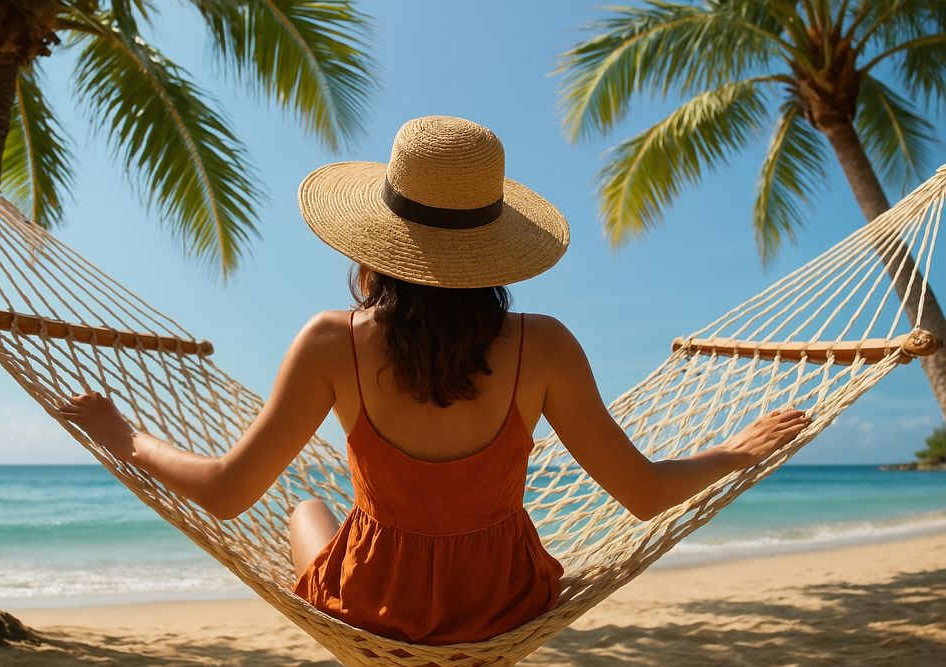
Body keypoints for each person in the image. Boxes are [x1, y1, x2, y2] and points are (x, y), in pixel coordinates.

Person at [58, 115, 811, 645]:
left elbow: (226, 491)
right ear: (495, 249)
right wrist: (737, 448)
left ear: (374, 244)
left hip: (372, 605)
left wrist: (126, 435)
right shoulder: (543, 345)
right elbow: (643, 493)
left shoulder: (331, 341)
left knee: (305, 504)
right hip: (504, 603)